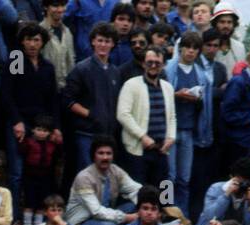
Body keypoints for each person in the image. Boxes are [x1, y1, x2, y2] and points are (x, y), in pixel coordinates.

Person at [1, 24, 60, 221]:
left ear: (42, 43)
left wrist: (55, 127)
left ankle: (39, 217)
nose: (32, 44)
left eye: (36, 40)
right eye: (28, 39)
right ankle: (15, 218)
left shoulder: (47, 66)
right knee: (17, 173)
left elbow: (53, 99)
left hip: (41, 125)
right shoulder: (17, 59)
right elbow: (7, 94)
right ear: (22, 41)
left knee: (41, 172)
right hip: (18, 121)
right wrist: (17, 121)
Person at [62, 21, 122, 175]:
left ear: (113, 44)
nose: (103, 45)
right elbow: (68, 100)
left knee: (106, 177)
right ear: (93, 41)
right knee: (87, 176)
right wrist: (90, 114)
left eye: (107, 41)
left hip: (108, 136)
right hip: (87, 134)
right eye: (100, 40)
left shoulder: (115, 72)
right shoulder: (81, 69)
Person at [166, 30, 211, 216]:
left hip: (188, 130)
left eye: (195, 48)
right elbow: (162, 95)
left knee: (184, 178)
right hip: (169, 130)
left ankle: (182, 216)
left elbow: (205, 107)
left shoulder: (201, 75)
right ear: (181, 48)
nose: (191, 51)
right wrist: (177, 95)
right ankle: (166, 212)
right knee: (168, 177)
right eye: (187, 47)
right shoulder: (169, 69)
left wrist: (197, 99)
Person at [117, 45, 174, 185]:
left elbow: (172, 116)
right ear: (143, 64)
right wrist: (142, 136)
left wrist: (171, 137)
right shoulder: (131, 85)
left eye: (157, 63)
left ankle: (167, 202)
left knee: (166, 191)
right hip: (138, 150)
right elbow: (122, 114)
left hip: (162, 150)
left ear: (163, 65)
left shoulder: (168, 87)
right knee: (138, 192)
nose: (153, 66)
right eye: (150, 62)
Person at [66, 138, 140, 225]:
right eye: (101, 153)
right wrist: (127, 218)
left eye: (108, 153)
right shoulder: (84, 177)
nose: (105, 157)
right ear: (94, 156)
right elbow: (96, 211)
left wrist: (144, 207)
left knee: (134, 206)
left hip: (107, 215)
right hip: (83, 221)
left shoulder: (115, 170)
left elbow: (136, 189)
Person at [18, 115, 62, 225]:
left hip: (45, 178)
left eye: (45, 131)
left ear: (49, 132)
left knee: (42, 203)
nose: (41, 133)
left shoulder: (52, 145)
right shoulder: (28, 142)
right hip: (30, 176)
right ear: (33, 130)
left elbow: (57, 157)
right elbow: (21, 152)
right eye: (39, 129)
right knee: (29, 201)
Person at [42, 0, 75, 87]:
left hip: (66, 89)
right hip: (46, 88)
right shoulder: (39, 32)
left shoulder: (67, 32)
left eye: (63, 5)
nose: (60, 9)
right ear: (46, 7)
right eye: (55, 5)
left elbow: (71, 63)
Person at [209, 2, 244, 70]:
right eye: (222, 22)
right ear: (215, 24)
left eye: (229, 22)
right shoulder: (207, 46)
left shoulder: (240, 48)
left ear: (234, 24)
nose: (226, 26)